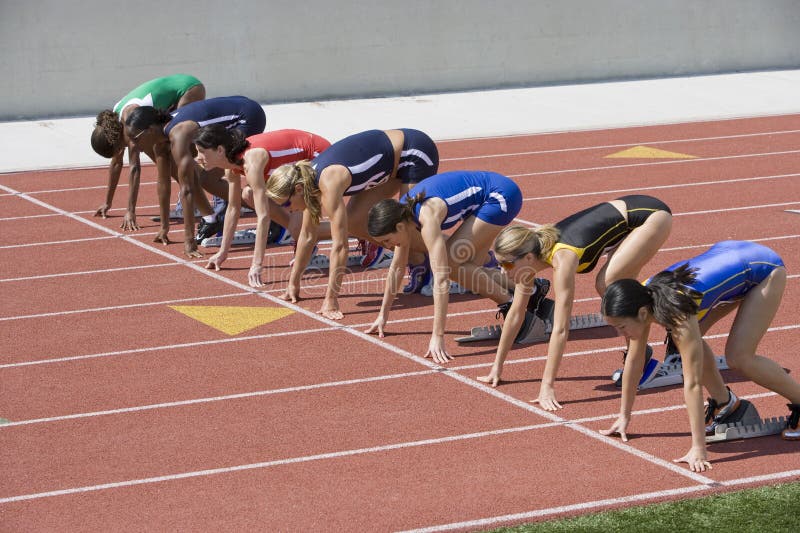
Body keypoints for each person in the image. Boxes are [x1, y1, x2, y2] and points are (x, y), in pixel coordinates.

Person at [599, 240, 800, 471]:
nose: (619, 333)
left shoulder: (676, 313)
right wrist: (624, 415)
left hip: (763, 269)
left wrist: (698, 447)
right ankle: (726, 403)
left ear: (643, 313)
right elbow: (634, 362)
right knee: (686, 342)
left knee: (739, 357)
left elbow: (692, 383)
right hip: (732, 258)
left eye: (621, 327)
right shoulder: (642, 296)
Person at [478, 195, 673, 409]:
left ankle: (667, 331)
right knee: (614, 287)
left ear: (528, 258)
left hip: (651, 216)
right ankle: (642, 352)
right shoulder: (527, 263)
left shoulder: (563, 258)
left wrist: (547, 386)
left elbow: (561, 328)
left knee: (608, 284)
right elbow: (516, 314)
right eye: (499, 265)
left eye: (505, 265)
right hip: (628, 222)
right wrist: (496, 367)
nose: (502, 271)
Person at [365, 170, 550, 363]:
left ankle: (511, 306)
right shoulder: (401, 215)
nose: (387, 247)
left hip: (500, 195)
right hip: (484, 200)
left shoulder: (427, 218)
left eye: (386, 240)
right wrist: (382, 315)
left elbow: (441, 279)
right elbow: (396, 268)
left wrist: (438, 336)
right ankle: (532, 288)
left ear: (400, 227)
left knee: (451, 266)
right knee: (470, 269)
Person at [266, 129, 439, 318]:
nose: (288, 210)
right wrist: (293, 284)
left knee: (407, 226)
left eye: (286, 204)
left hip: (414, 153)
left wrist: (331, 300)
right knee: (355, 223)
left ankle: (461, 259)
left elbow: (340, 246)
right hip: (391, 165)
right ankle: (419, 260)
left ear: (298, 189)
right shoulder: (307, 183)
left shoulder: (328, 182)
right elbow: (308, 235)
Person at [124, 96, 266, 257]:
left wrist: (189, 240)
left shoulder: (178, 134)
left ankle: (274, 215)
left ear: (150, 130)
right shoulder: (160, 139)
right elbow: (163, 181)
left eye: (135, 138)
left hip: (247, 117)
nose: (134, 145)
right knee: (205, 177)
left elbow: (187, 189)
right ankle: (229, 216)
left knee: (210, 178)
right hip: (234, 114)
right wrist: (164, 227)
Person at [193, 125, 331, 286]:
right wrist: (222, 253)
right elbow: (233, 207)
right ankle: (306, 238)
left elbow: (263, 216)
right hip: (295, 165)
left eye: (202, 151)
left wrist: (257, 265)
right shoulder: (231, 166)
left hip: (318, 155)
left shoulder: (251, 164)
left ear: (220, 150)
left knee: (298, 226)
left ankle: (353, 229)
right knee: (248, 194)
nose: (197, 157)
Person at [91, 74, 205, 230]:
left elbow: (134, 169)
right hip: (174, 94)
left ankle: (210, 197)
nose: (122, 150)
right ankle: (194, 195)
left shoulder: (131, 122)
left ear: (117, 141)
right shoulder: (114, 126)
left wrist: (130, 211)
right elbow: (116, 164)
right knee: (164, 155)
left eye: (120, 148)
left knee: (178, 151)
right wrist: (108, 202)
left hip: (188, 89)